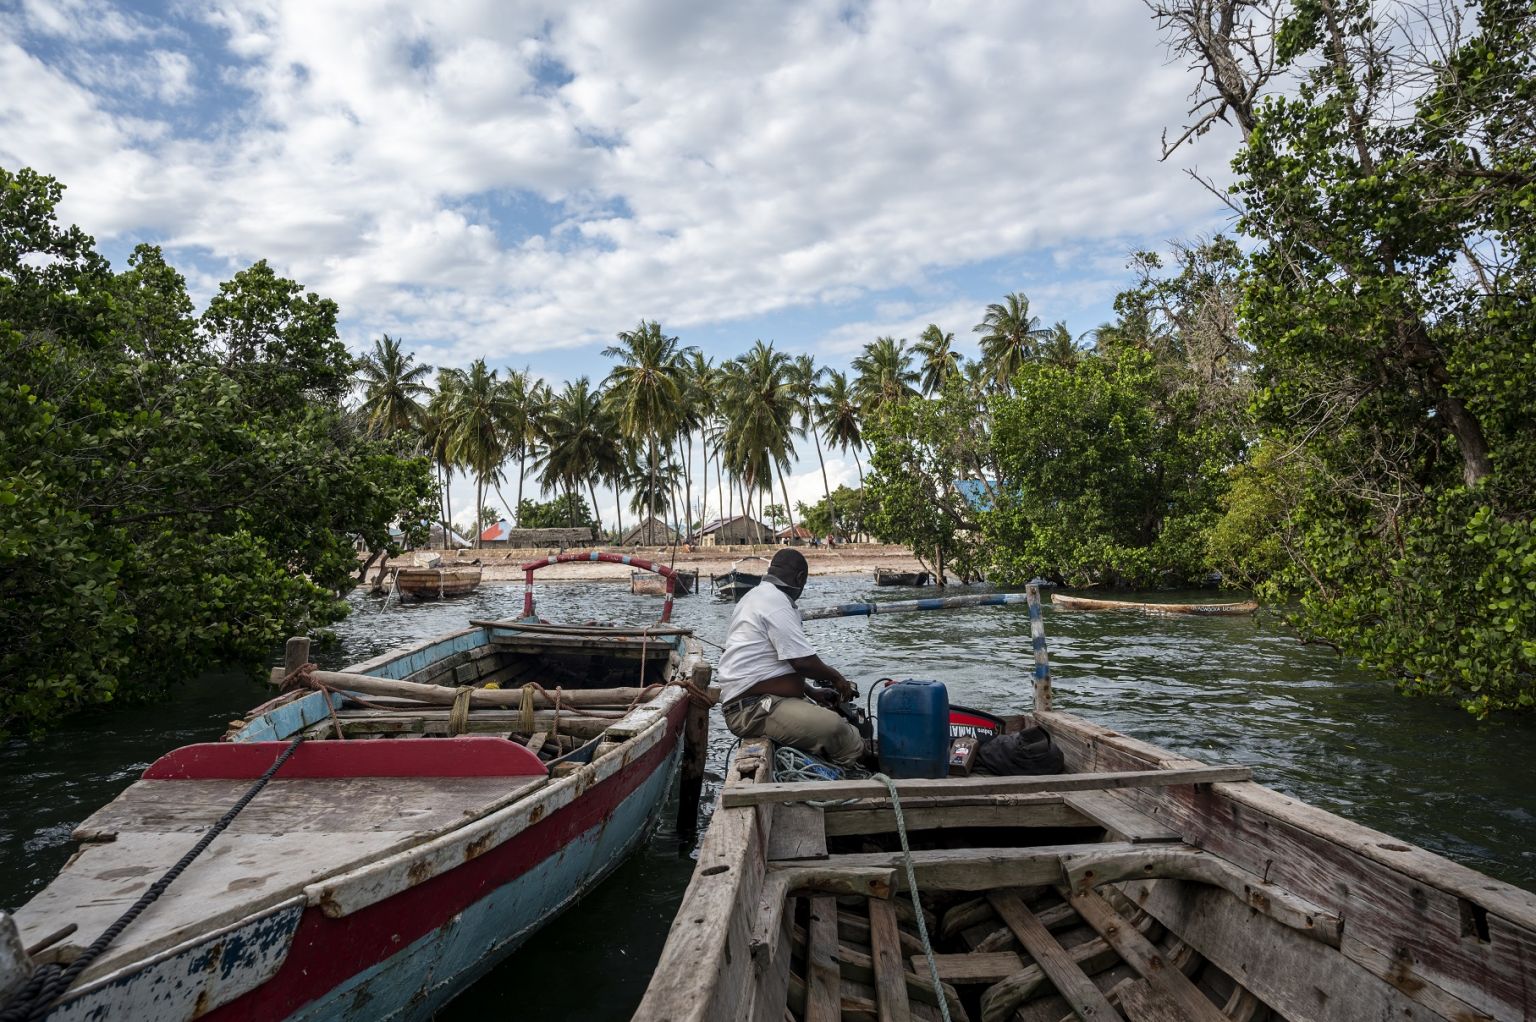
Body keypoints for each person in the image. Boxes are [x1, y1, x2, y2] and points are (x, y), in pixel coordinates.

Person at [716, 548, 865, 768]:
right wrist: (837, 679)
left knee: (832, 716)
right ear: (800, 578)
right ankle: (865, 764)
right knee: (836, 728)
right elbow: (802, 662)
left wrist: (811, 691)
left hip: (762, 701)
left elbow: (770, 666)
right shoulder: (775, 601)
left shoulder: (758, 595)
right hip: (751, 710)